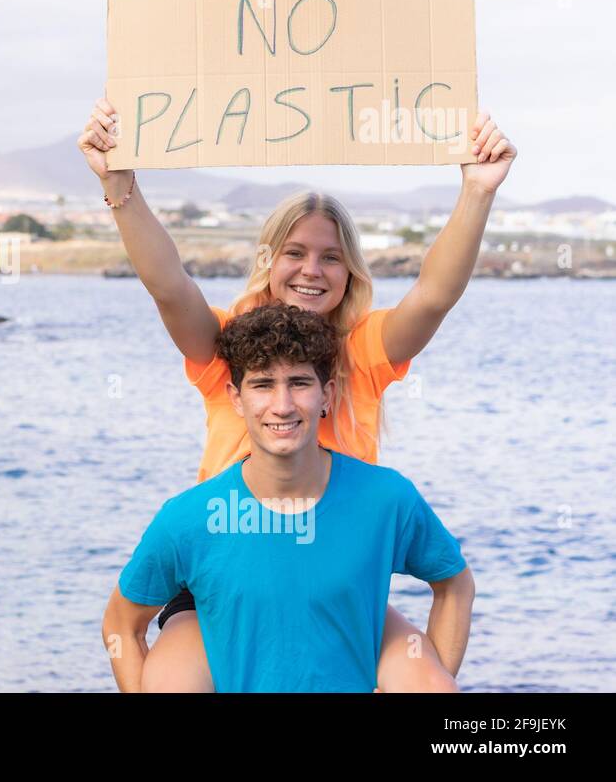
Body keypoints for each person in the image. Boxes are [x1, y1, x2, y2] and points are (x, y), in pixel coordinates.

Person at [78, 95, 513, 691]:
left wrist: (478, 191)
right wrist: (120, 186)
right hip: (220, 583)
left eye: (331, 258)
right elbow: (170, 287)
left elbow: (433, 297)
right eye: (296, 253)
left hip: (337, 583)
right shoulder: (229, 347)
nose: (312, 269)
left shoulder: (361, 351)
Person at [103, 303, 474, 692]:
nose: (282, 406)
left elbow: (455, 586)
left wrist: (439, 677)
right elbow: (121, 624)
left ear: (326, 394)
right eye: (263, 385)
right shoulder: (189, 518)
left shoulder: (388, 499)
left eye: (299, 383)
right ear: (235, 398)